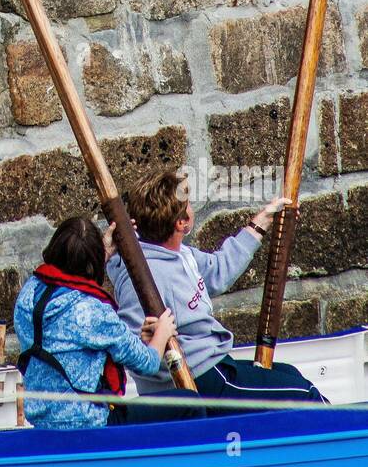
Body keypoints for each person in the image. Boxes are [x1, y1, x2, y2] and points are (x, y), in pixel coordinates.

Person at [109, 169, 326, 404]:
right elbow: (133, 348)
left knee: (290, 373)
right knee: (306, 394)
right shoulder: (141, 276)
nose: (192, 207)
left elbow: (217, 271)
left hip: (212, 367)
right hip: (197, 382)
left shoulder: (178, 253)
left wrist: (262, 220)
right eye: (189, 204)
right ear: (182, 223)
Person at [14, 215, 184, 430]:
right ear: (90, 264)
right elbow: (147, 363)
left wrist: (98, 251)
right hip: (88, 424)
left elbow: (69, 280)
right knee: (190, 405)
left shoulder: (29, 294)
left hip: (42, 420)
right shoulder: (92, 312)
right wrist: (163, 332)